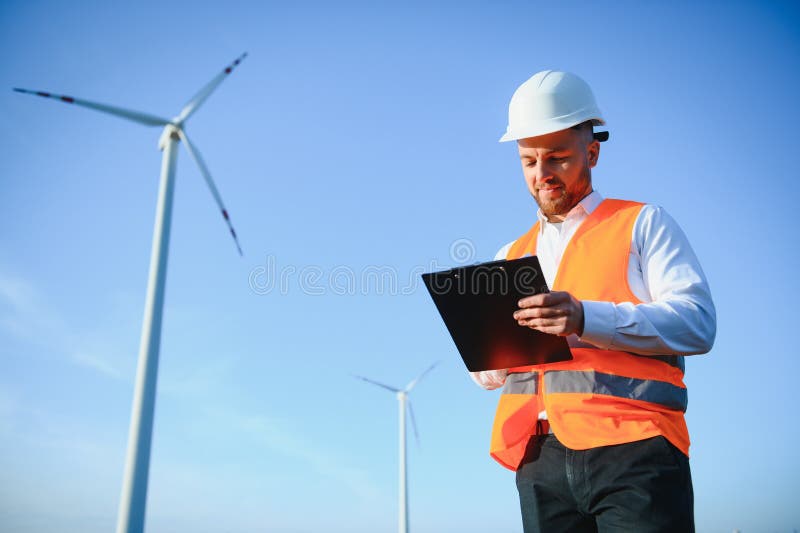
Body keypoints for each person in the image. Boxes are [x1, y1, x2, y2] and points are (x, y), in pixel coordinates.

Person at [470, 70, 716, 532]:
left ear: (593, 152)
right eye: (529, 162)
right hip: (539, 459)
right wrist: (486, 349)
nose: (542, 175)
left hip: (635, 449)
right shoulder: (509, 255)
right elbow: (487, 377)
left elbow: (698, 323)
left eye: (558, 158)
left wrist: (585, 316)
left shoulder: (643, 224)